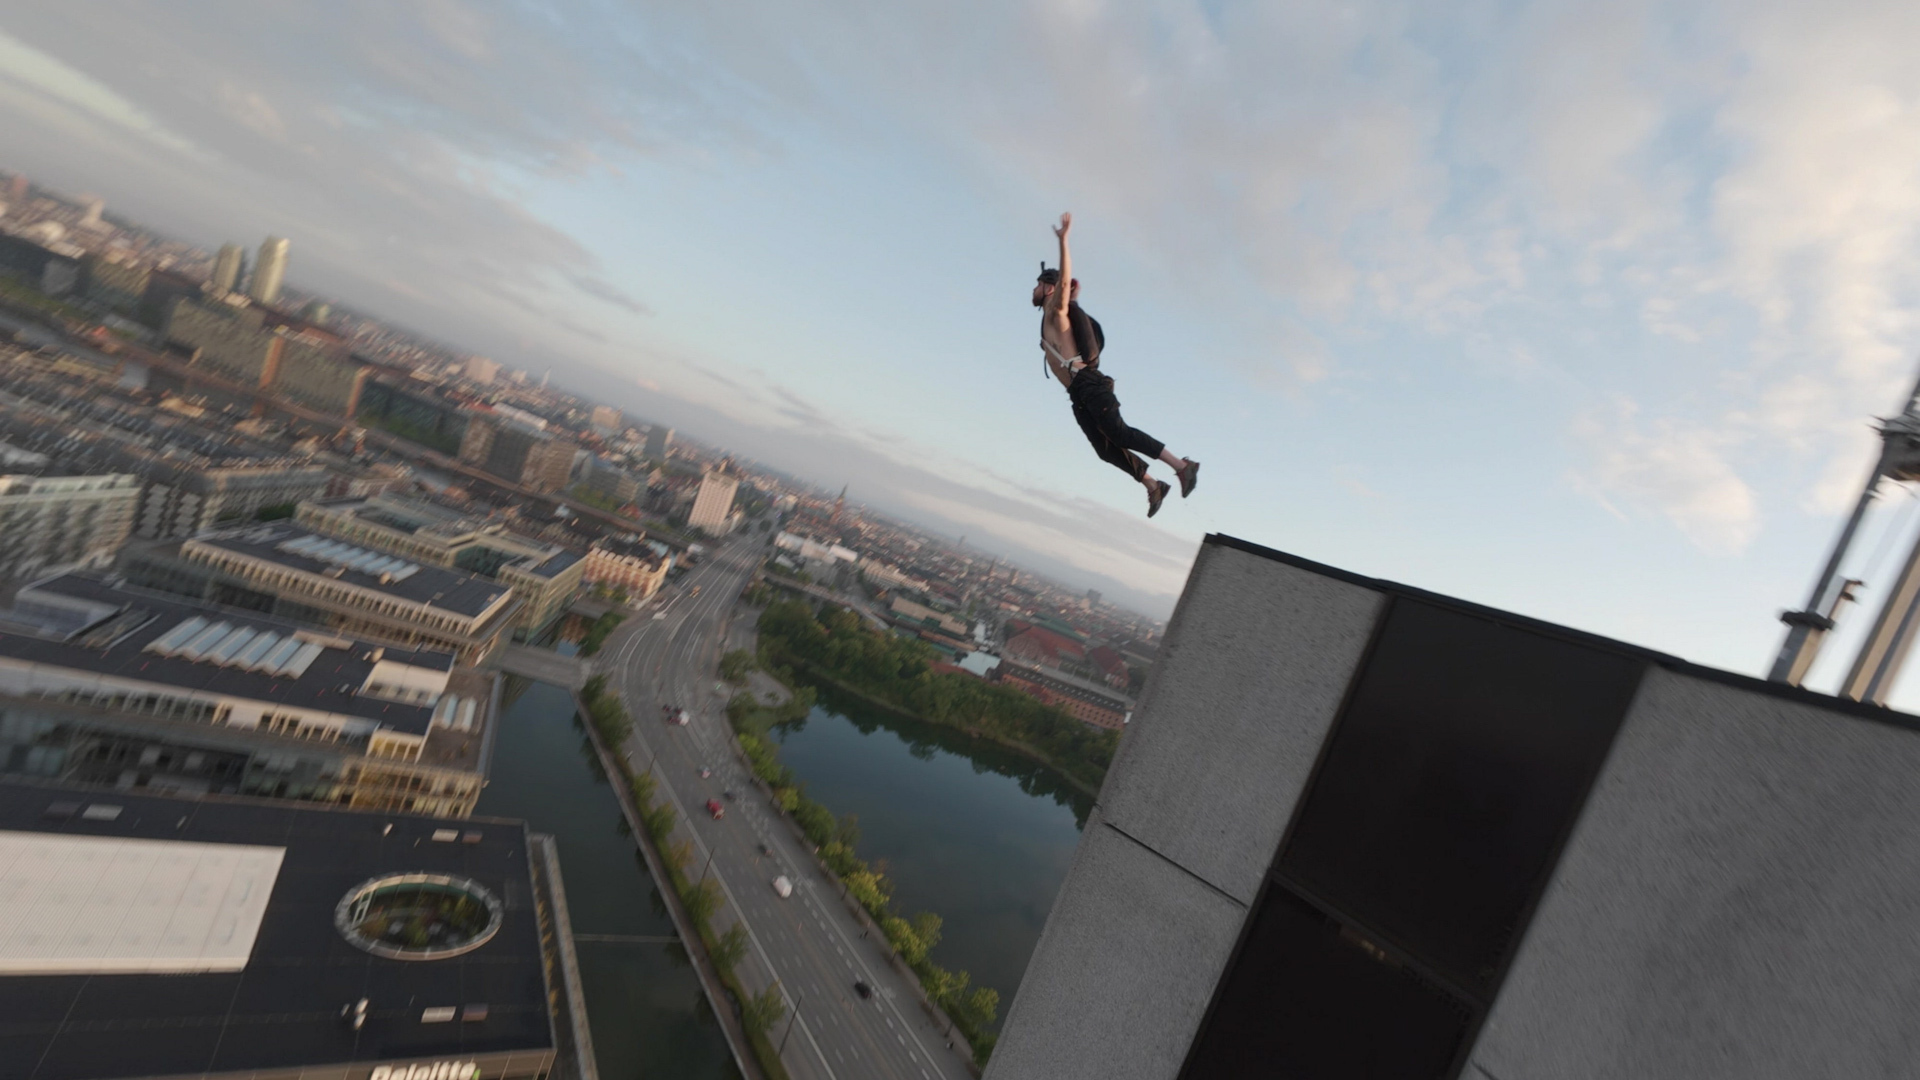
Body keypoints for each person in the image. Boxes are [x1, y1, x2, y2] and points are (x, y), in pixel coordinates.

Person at [1035, 212, 1198, 516]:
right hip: (1078, 395)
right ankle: (1153, 485)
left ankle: (1182, 466)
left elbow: (1066, 279)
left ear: (1049, 287)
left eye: (1038, 284)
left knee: (1120, 433)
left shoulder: (1056, 313)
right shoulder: (1048, 320)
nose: (1033, 289)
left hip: (1089, 385)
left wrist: (1064, 241)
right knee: (1105, 449)